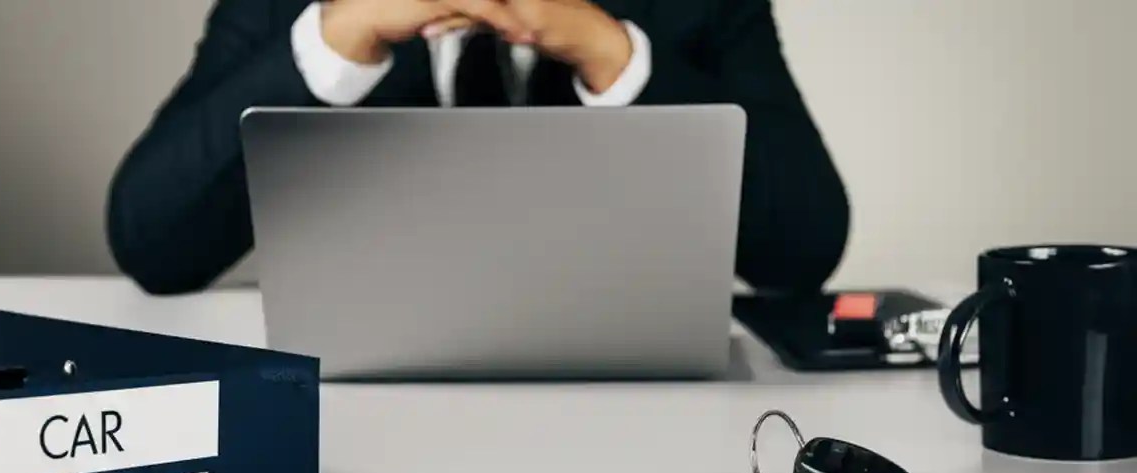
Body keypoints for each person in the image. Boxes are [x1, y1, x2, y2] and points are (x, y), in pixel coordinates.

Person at [107, 0, 850, 295]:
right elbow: (154, 242)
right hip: (355, 430)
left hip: (628, 424)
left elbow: (803, 249)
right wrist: (340, 39)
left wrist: (613, 53)